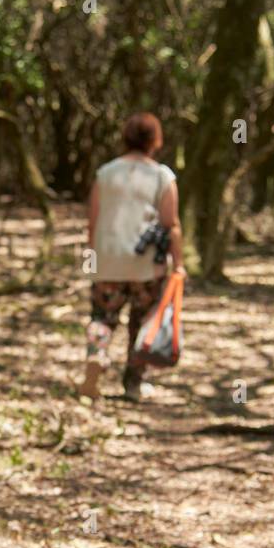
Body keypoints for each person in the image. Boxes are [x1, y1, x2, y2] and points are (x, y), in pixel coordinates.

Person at [80, 112, 186, 402]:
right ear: (156, 140)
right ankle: (133, 385)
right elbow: (171, 224)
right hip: (146, 265)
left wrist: (92, 258)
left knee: (102, 316)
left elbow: (93, 220)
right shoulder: (163, 177)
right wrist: (179, 264)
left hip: (108, 260)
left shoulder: (105, 173)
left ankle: (97, 354)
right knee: (140, 322)